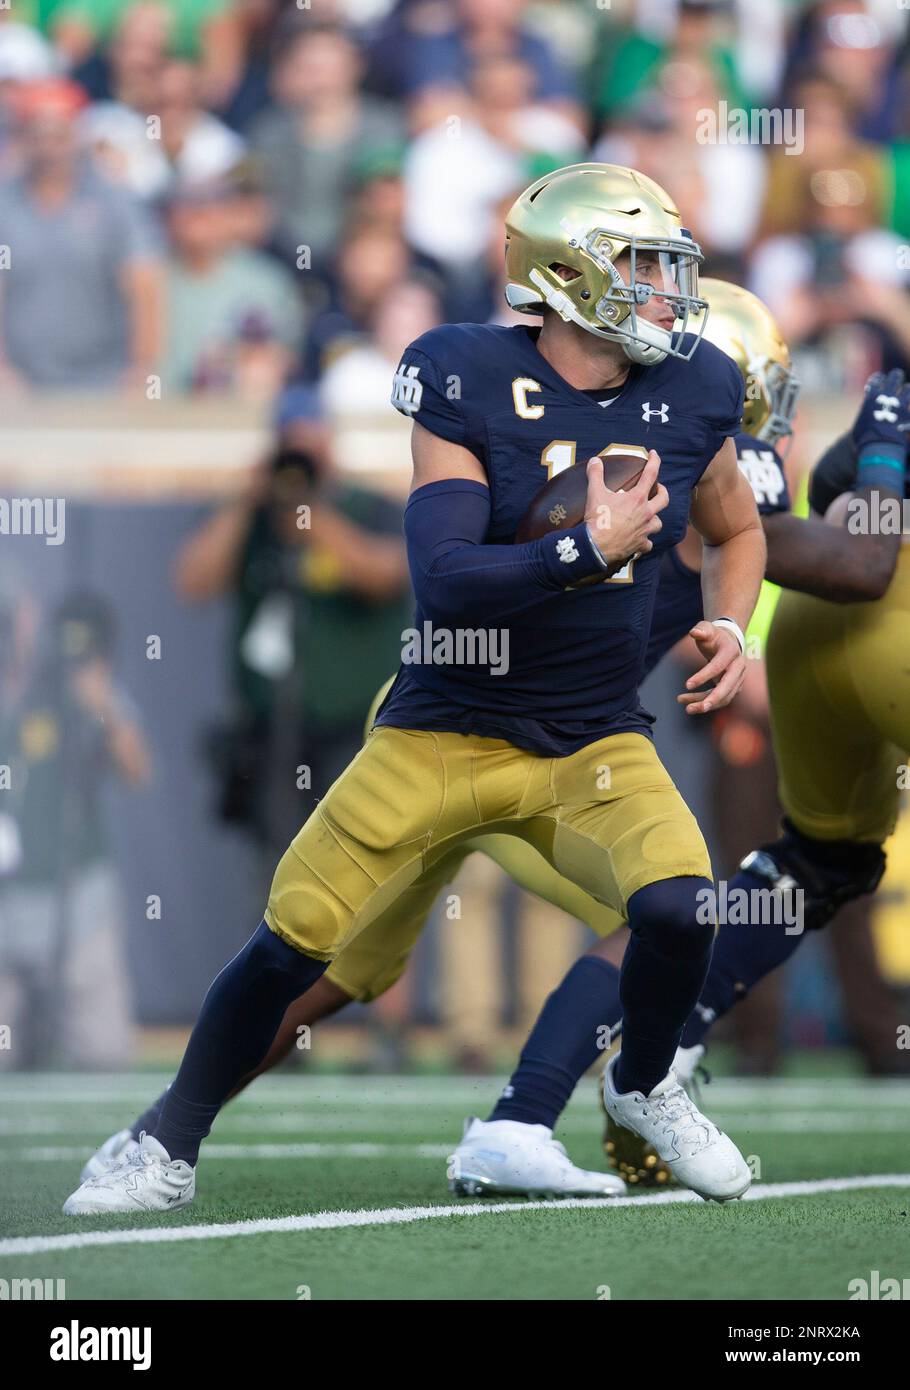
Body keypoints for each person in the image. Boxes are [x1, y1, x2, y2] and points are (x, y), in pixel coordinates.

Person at [81, 279, 910, 1200]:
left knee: (657, 913)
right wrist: (879, 447)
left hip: (572, 750)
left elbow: (741, 541)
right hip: (449, 731)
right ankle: (502, 1113)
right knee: (317, 956)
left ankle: (536, 1112)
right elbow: (864, 560)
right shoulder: (628, 447)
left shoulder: (689, 460)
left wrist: (723, 614)